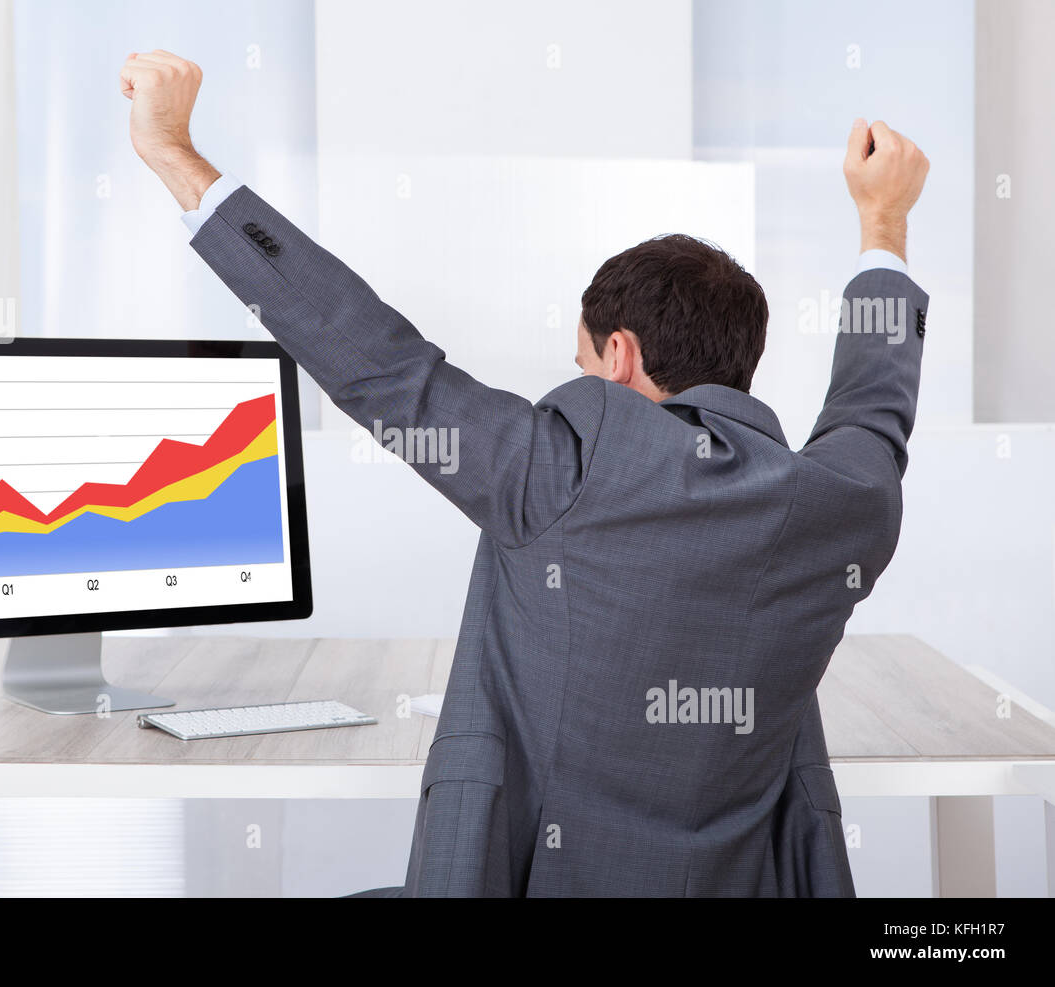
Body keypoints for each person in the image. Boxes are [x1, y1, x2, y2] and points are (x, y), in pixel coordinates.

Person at [120, 49, 930, 896]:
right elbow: (874, 407)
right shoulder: (844, 504)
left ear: (619, 355)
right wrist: (885, 226)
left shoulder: (562, 475)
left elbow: (377, 363)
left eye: (581, 360)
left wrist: (177, 153)